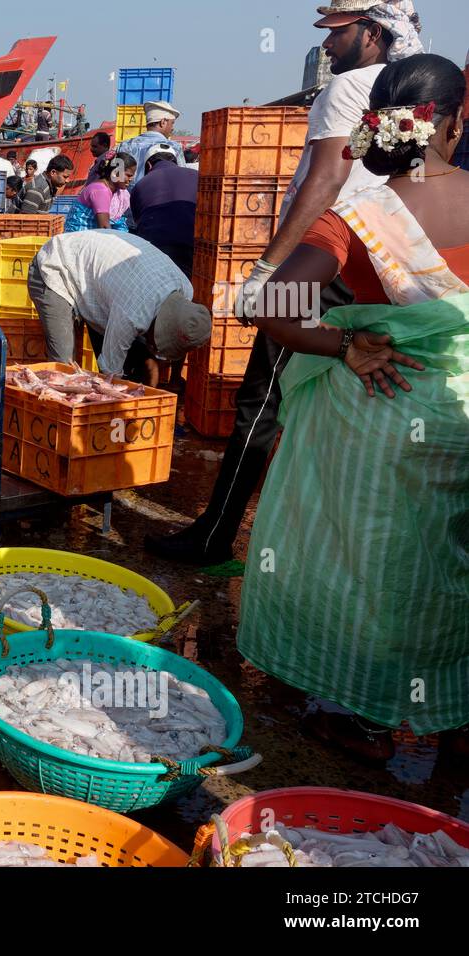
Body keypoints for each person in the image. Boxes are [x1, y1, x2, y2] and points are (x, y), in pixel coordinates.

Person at [237, 53, 467, 763]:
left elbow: (271, 310)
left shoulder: (361, 217)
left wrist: (343, 347)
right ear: (455, 122)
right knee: (447, 567)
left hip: (379, 412)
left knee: (373, 565)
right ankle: (443, 709)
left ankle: (365, 711)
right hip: (459, 417)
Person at [146, 0, 421, 566]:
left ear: (372, 33)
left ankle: (216, 537)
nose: (326, 44)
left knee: (260, 399)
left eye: (337, 33)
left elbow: (325, 181)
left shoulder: (345, 91)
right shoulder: (414, 89)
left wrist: (268, 272)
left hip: (325, 262)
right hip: (386, 263)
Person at [27, 230, 213, 383]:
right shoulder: (132, 314)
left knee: (144, 363)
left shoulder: (184, 288)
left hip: (99, 282)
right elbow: (110, 374)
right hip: (56, 267)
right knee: (63, 369)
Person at [130, 143, 199, 275]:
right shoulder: (196, 176)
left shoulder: (140, 185)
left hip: (155, 249)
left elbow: (137, 221)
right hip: (193, 245)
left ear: (149, 165)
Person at [116, 101, 188, 186]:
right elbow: (182, 179)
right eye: (172, 123)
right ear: (163, 122)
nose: (172, 128)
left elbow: (117, 178)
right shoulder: (173, 147)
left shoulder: (125, 145)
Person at [64, 152, 136, 231]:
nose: (131, 179)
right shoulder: (100, 190)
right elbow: (104, 227)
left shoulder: (116, 192)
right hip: (80, 237)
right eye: (128, 175)